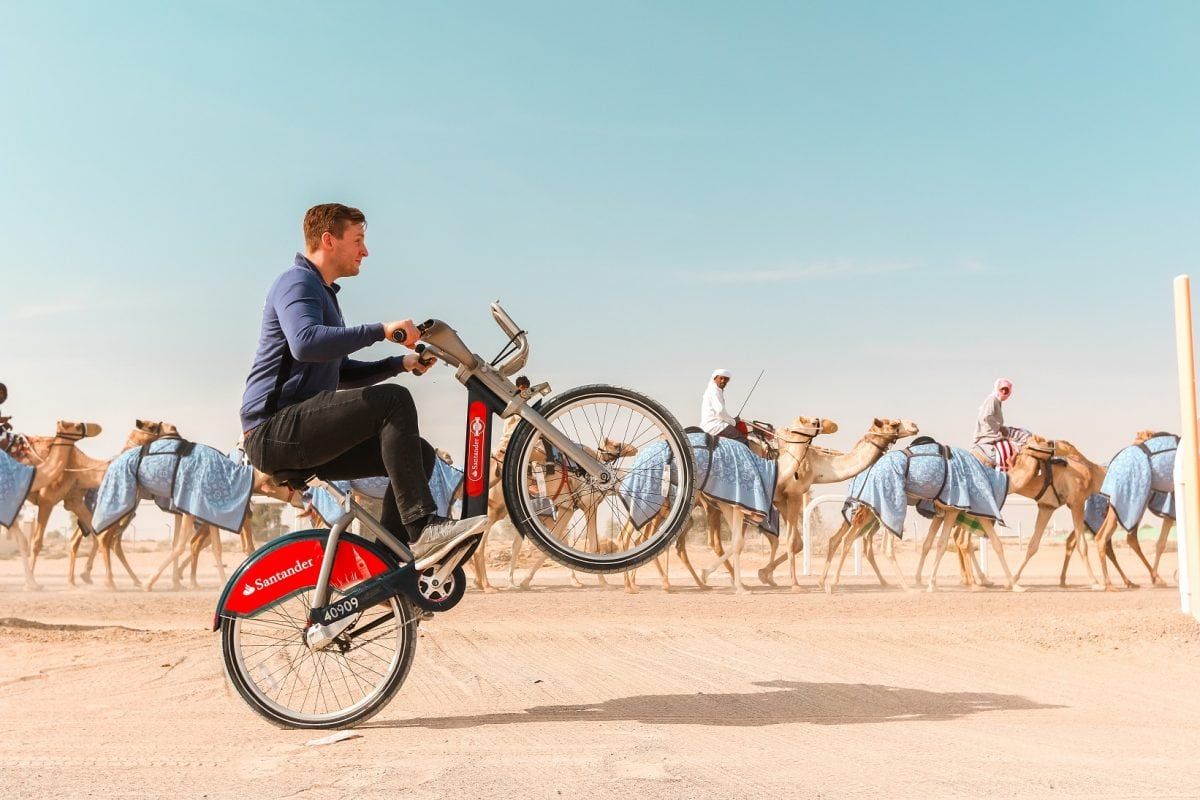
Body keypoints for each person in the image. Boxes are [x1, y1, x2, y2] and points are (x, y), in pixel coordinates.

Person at [240, 203, 486, 556]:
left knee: (419, 454)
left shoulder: (323, 293)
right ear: (329, 240)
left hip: (300, 430)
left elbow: (339, 372)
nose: (365, 251)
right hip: (272, 431)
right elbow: (305, 343)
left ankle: (386, 561)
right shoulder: (297, 281)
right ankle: (423, 528)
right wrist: (381, 330)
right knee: (393, 400)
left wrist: (401, 363)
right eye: (357, 240)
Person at [974, 378, 1017, 471]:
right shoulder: (992, 399)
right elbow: (987, 417)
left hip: (993, 435)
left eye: (1006, 390)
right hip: (989, 436)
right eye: (1002, 389)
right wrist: (1000, 428)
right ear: (997, 389)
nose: (1004, 391)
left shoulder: (997, 401)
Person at [700, 369, 746, 442]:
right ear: (714, 378)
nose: (723, 381)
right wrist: (733, 421)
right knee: (741, 439)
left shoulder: (715, 390)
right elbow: (720, 411)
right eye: (721, 378)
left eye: (726, 379)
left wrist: (732, 420)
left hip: (712, 424)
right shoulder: (714, 391)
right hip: (715, 425)